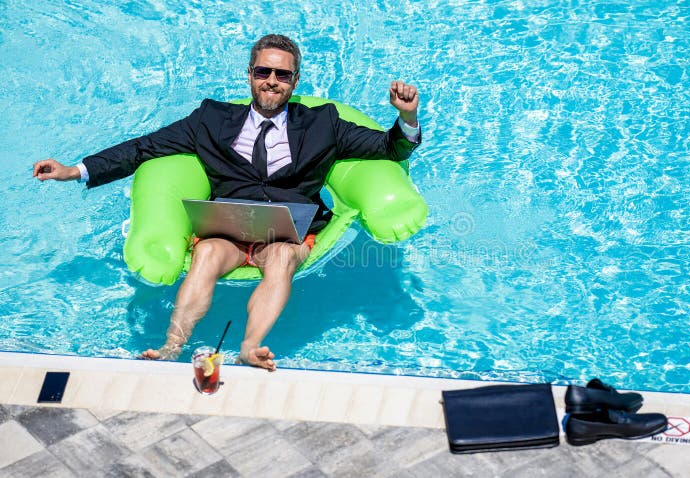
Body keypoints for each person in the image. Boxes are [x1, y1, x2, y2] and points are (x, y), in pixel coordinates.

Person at [33, 34, 421, 371]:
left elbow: (388, 148)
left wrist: (407, 117)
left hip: (286, 237)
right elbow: (143, 147)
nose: (272, 82)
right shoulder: (211, 119)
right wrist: (74, 171)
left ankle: (250, 348)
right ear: (250, 74)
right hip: (227, 234)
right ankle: (172, 347)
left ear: (295, 80)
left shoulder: (323, 123)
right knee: (205, 256)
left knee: (282, 259)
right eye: (263, 72)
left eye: (282, 75)